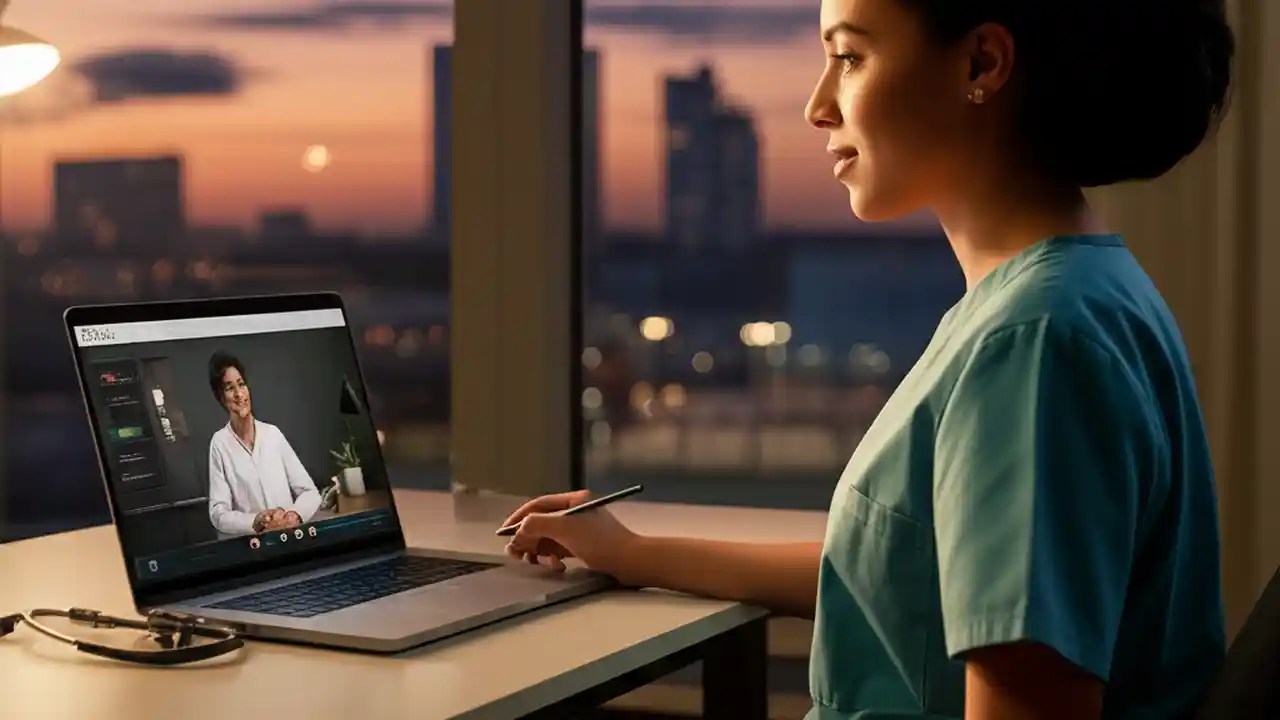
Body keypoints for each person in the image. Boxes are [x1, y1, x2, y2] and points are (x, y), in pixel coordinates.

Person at [503, 1, 1234, 718]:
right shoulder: (1078, 293)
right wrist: (633, 554)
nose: (817, 107)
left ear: (981, 63)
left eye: (849, 57)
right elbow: (901, 577)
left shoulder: (1033, 341)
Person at [206, 352, 320, 536]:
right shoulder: (219, 444)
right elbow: (218, 514)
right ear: (221, 397)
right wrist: (254, 521)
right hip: (255, 545)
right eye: (229, 388)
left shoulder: (272, 434)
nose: (239, 394)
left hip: (291, 538)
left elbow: (310, 492)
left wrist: (293, 515)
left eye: (241, 384)